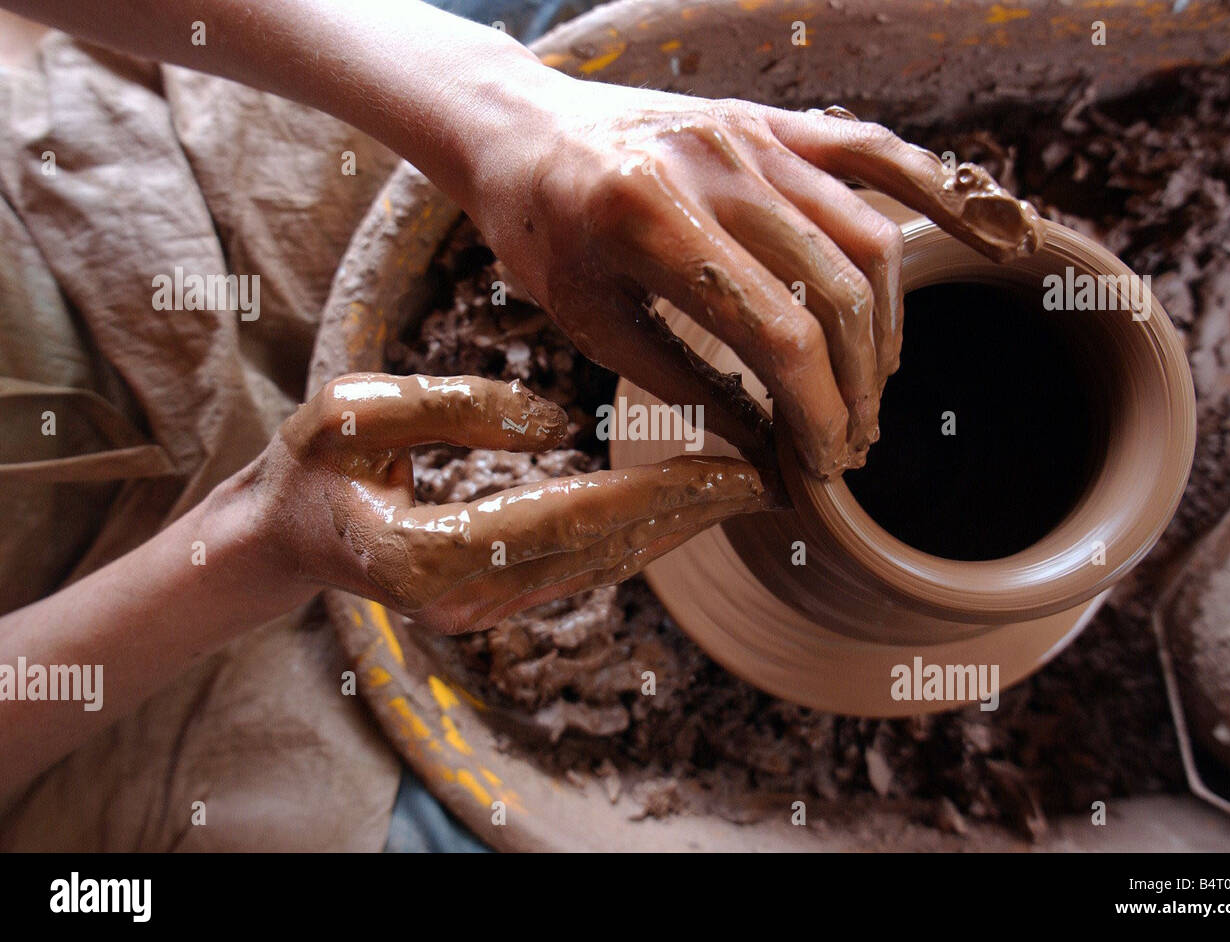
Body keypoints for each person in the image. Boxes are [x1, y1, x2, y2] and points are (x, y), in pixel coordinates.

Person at [0, 0, 1042, 807]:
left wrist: (508, 113)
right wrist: (256, 544)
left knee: (583, 70)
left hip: (102, 189)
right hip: (103, 640)